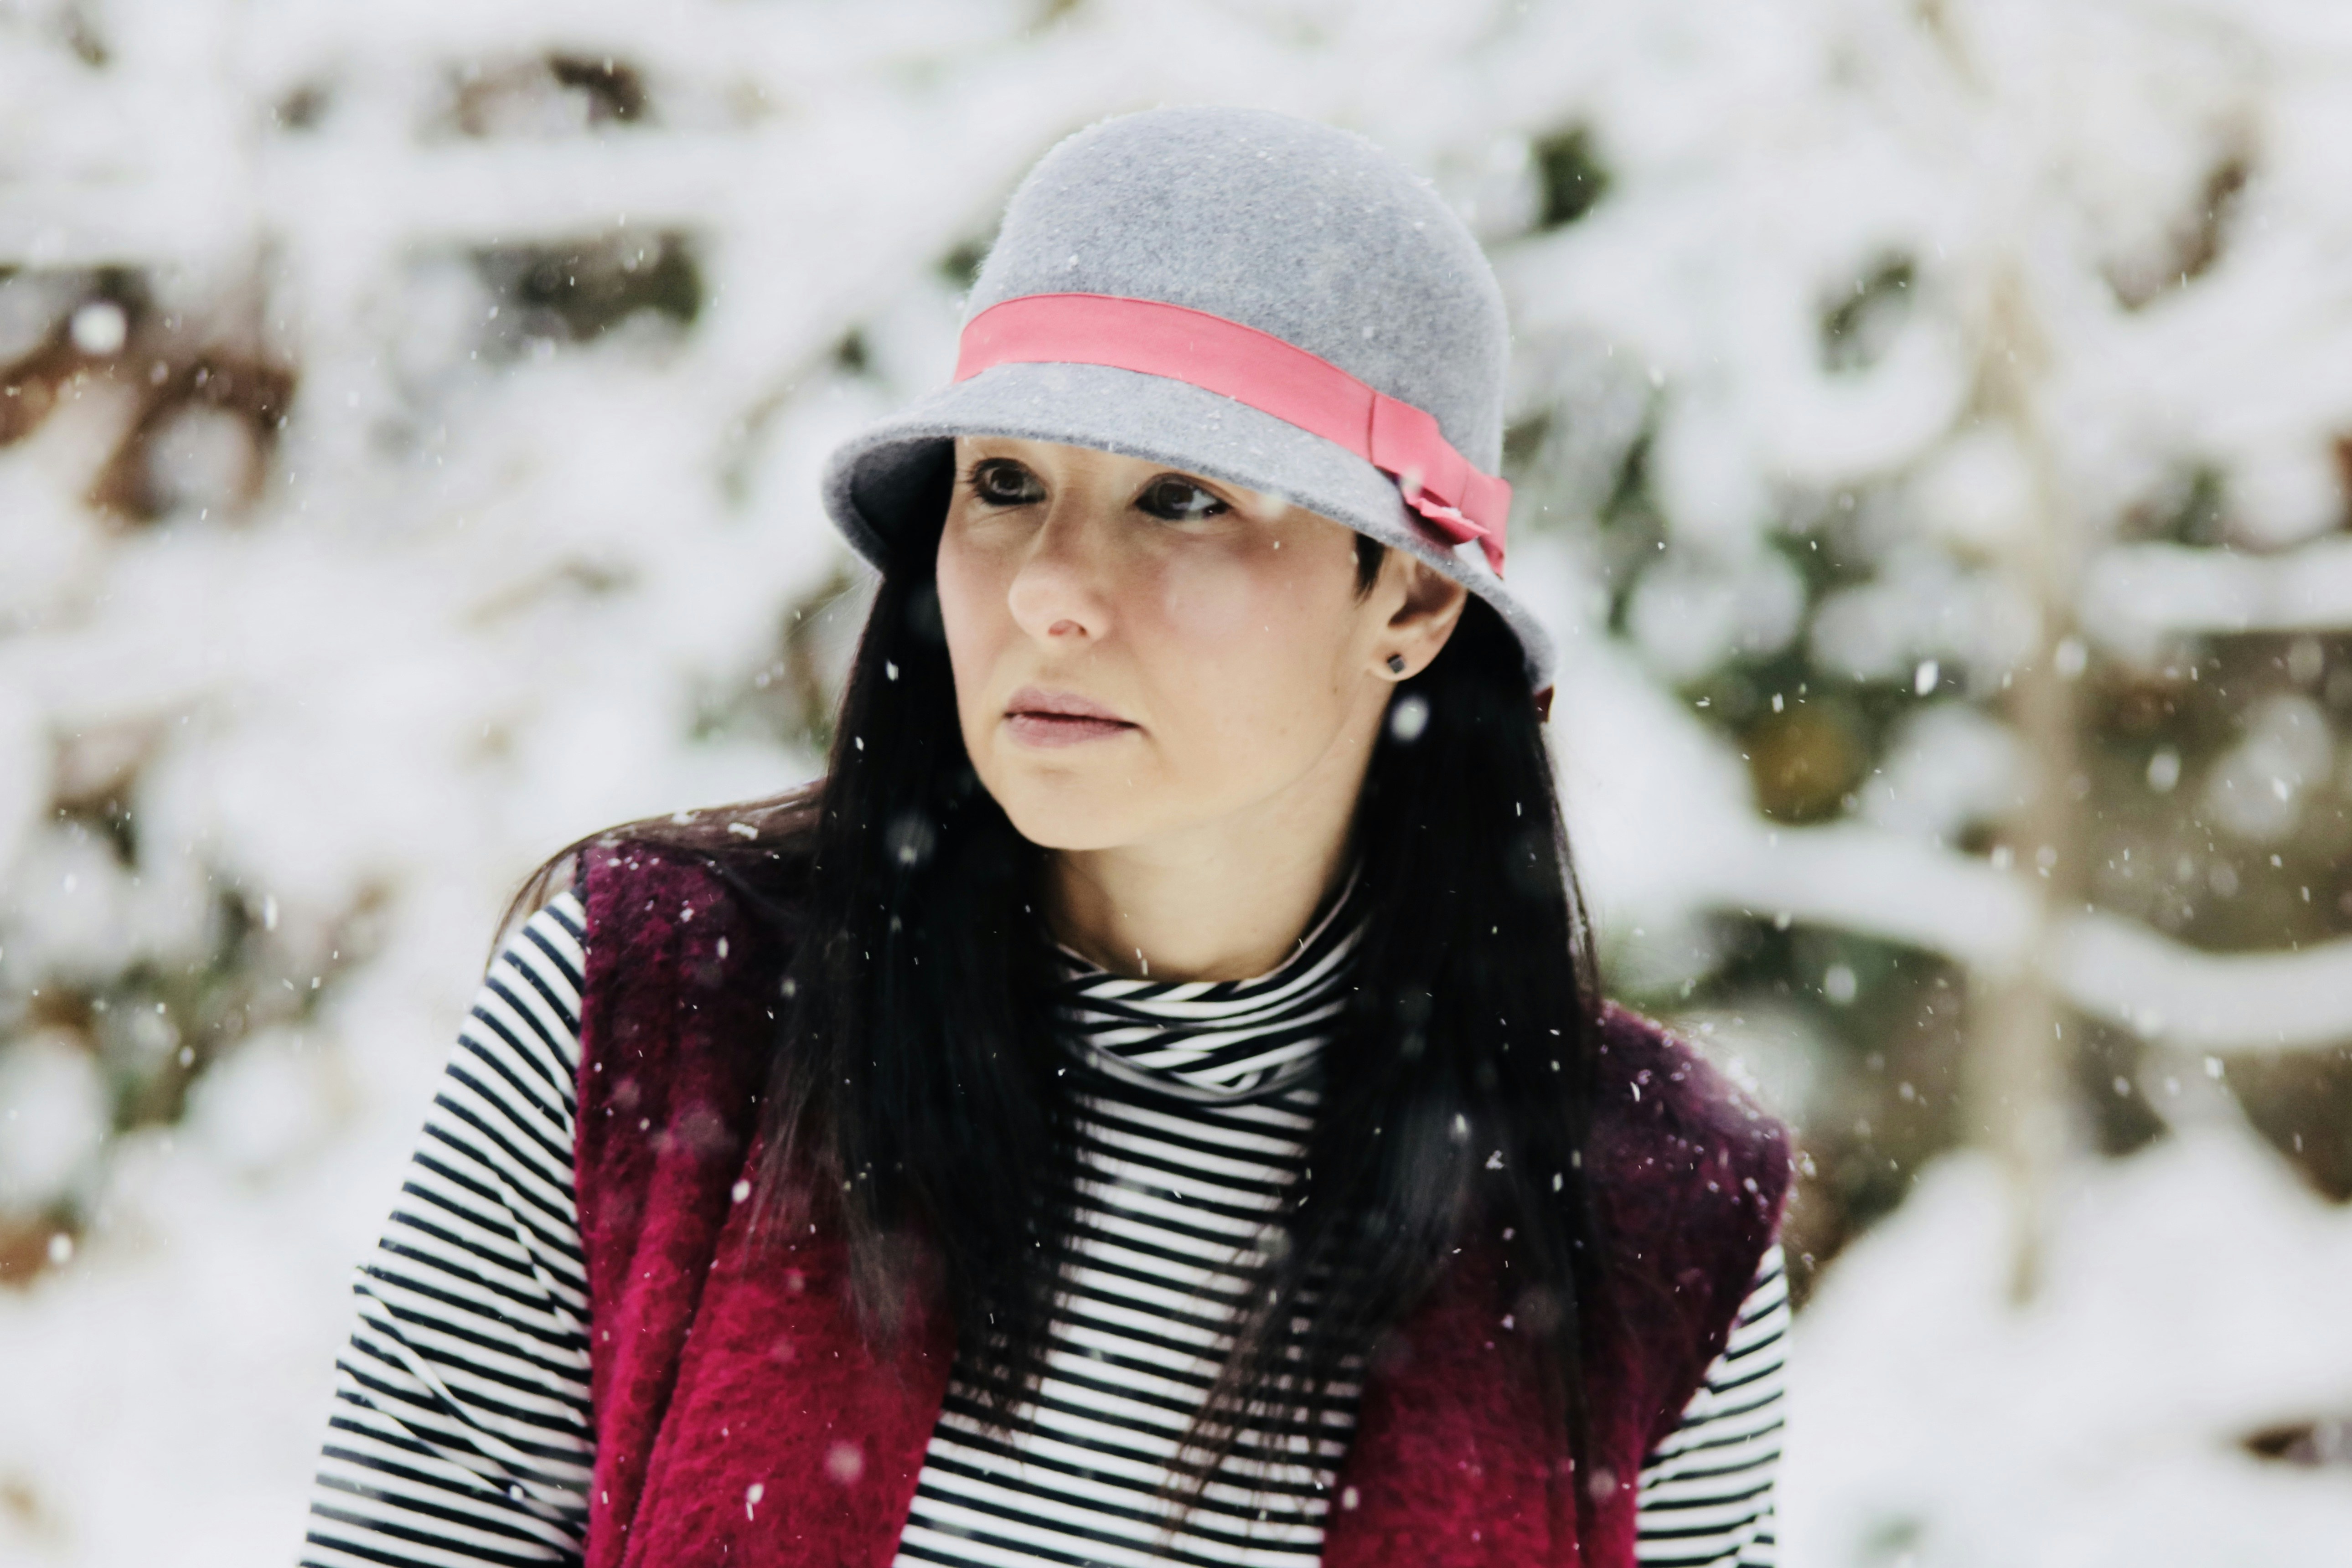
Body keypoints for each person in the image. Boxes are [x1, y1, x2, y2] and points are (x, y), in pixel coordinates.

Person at [299, 107, 1791, 1568]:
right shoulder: (653, 1016)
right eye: (1005, 485)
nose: (1049, 593)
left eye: (1184, 499)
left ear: (1405, 600)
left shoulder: (1648, 1225)